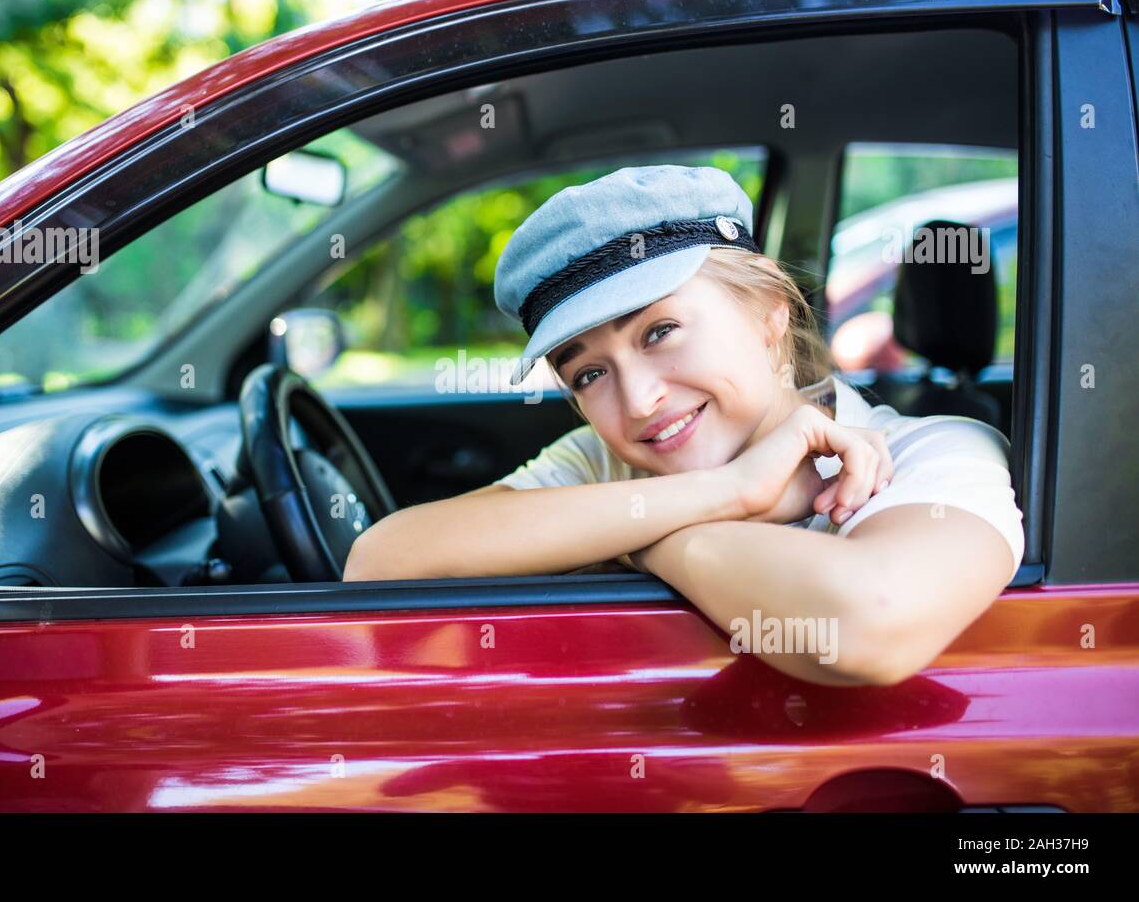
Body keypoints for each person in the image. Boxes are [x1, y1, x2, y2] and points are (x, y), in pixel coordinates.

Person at [344, 165, 1024, 687]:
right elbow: (381, 564)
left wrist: (638, 538)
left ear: (768, 312)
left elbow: (865, 625)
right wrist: (730, 493)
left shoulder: (935, 451)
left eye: (660, 331)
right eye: (587, 374)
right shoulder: (602, 463)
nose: (637, 401)